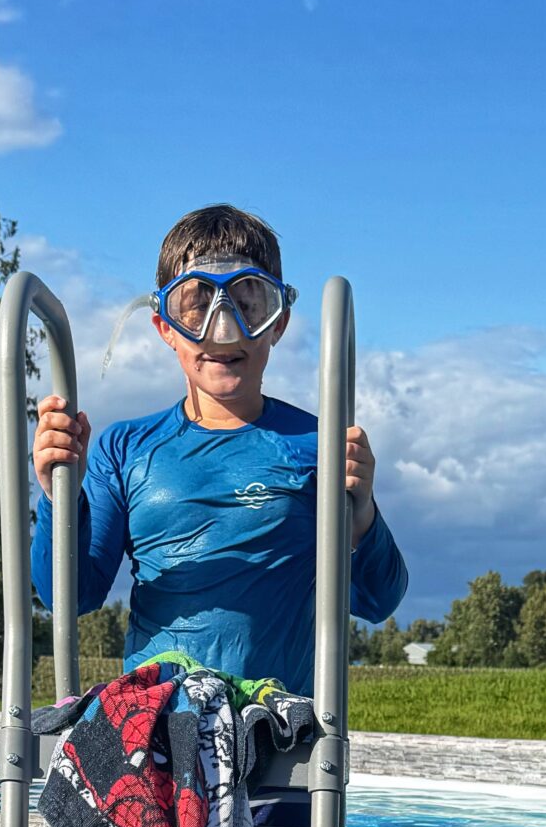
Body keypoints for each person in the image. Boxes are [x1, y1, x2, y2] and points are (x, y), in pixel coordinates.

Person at [30, 204, 406, 695]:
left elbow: (378, 599)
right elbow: (68, 595)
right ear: (165, 327)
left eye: (249, 305)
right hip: (156, 727)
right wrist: (60, 495)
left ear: (279, 322)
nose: (222, 331)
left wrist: (362, 515)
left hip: (275, 738)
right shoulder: (125, 448)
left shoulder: (320, 446)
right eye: (196, 307)